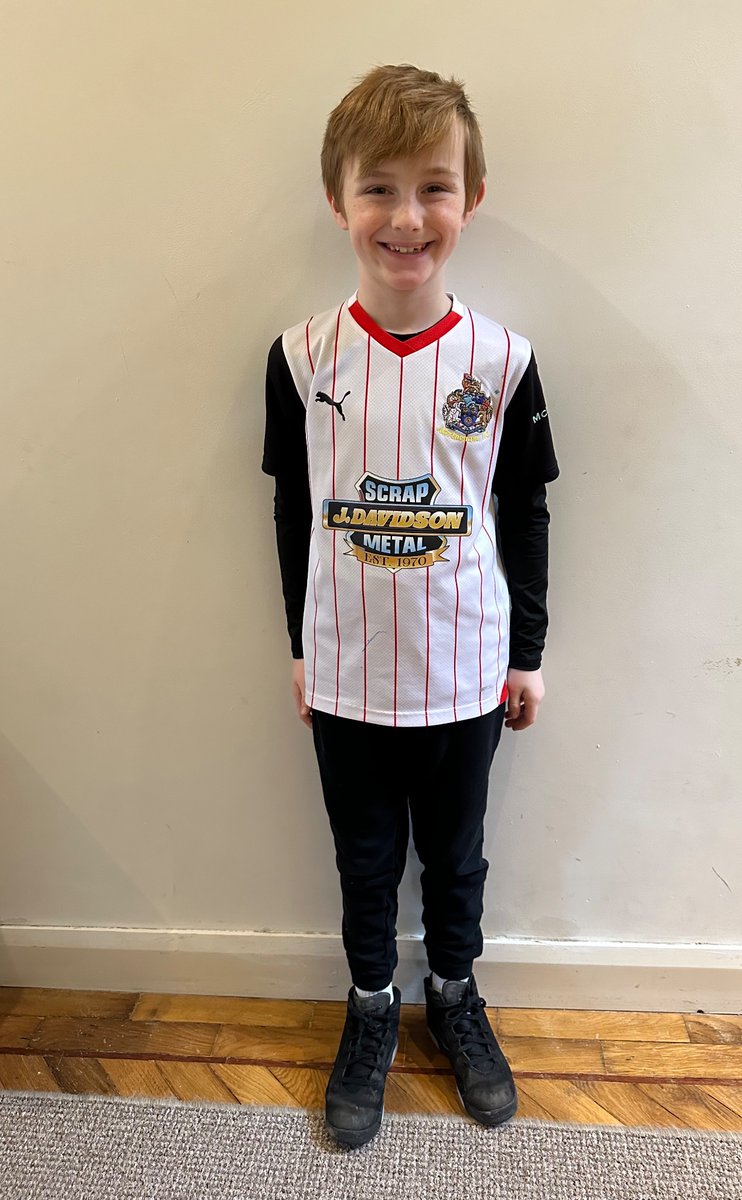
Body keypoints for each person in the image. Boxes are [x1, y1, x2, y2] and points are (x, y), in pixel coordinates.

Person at [262, 63, 559, 1148]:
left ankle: (456, 996)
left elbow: (524, 513)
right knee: (364, 858)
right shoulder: (301, 359)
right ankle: (371, 1005)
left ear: (470, 199)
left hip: (464, 669)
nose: (405, 216)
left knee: (457, 857)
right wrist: (300, 645)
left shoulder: (504, 361)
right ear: (336, 200)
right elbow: (294, 513)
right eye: (377, 188)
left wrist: (526, 653)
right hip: (345, 670)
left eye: (433, 187)